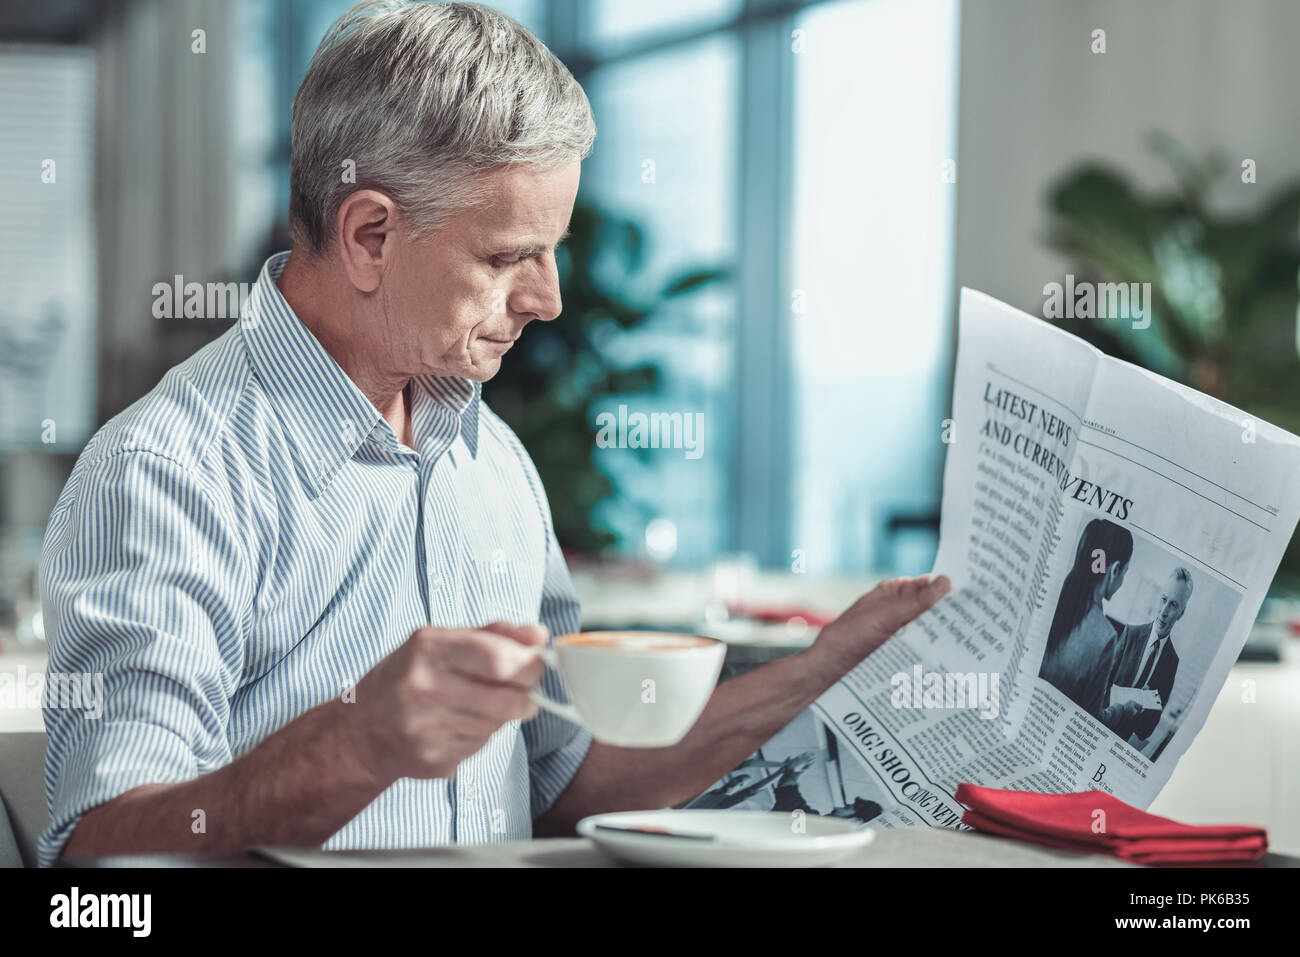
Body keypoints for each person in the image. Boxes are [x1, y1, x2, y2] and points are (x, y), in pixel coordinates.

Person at [37, 0, 950, 866]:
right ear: (368, 237)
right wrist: (360, 741)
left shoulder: (493, 463)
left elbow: (563, 781)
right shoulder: (165, 473)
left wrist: (822, 665)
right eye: (509, 256)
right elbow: (108, 853)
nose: (547, 298)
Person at [1038, 519, 1134, 718]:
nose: (1122, 580)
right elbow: (1089, 718)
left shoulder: (1048, 596)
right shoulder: (1105, 636)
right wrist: (1121, 710)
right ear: (1115, 570)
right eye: (1125, 572)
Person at [1099, 568, 1191, 742]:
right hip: (1102, 724)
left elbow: (1150, 727)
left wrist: (1141, 712)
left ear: (1181, 613)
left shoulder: (1172, 662)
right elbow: (1101, 688)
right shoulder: (1130, 635)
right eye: (1164, 600)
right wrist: (1120, 708)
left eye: (1173, 605)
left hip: (1121, 743)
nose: (1164, 611)